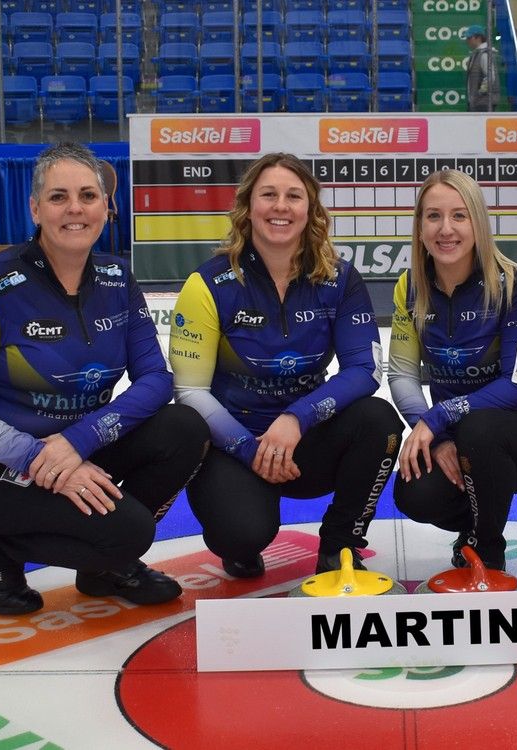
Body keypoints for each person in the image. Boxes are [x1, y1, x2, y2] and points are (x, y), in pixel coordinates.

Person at [0, 142, 210, 616]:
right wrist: (38, 456)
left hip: (74, 446)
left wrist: (78, 442)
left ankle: (106, 566)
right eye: (59, 197)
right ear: (35, 209)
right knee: (130, 533)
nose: (75, 209)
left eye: (88, 196)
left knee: (184, 429)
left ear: (106, 207)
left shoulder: (119, 278)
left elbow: (156, 381)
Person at [170, 152, 403, 577]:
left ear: (310, 209)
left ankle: (340, 545)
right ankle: (240, 538)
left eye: (294, 196)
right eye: (269, 195)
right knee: (239, 534)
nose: (281, 206)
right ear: (248, 207)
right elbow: (190, 392)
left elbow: (364, 370)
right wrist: (249, 448)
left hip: (305, 438)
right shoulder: (207, 283)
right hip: (234, 443)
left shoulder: (341, 278)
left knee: (380, 420)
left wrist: (298, 417)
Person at [389, 170, 517, 572]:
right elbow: (401, 374)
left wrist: (442, 417)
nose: (445, 229)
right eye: (433, 216)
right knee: (413, 492)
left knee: (480, 429)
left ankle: (488, 552)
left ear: (478, 225)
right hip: (453, 434)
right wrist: (432, 434)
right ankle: (472, 524)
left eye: (459, 216)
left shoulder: (513, 284)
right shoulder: (411, 285)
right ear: (419, 227)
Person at [462, 24, 500, 112]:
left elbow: (490, 77)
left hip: (483, 102)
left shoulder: (484, 54)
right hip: (479, 102)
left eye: (469, 38)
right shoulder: (479, 54)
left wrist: (480, 93)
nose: (467, 41)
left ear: (478, 38)